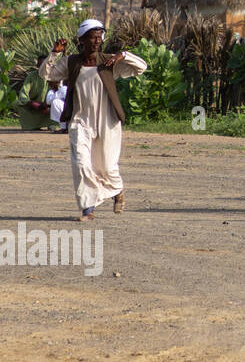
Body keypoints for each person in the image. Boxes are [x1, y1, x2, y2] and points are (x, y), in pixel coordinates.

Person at [39, 19, 148, 220]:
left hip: (108, 120)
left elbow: (141, 67)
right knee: (81, 162)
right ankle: (88, 209)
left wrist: (122, 55)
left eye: (99, 37)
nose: (96, 41)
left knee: (106, 167)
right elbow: (46, 74)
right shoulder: (71, 62)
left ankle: (117, 190)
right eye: (92, 37)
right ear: (81, 40)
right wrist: (54, 53)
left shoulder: (109, 62)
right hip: (81, 120)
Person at [15, 55, 61, 131]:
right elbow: (23, 94)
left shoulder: (54, 76)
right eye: (41, 65)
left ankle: (51, 124)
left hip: (48, 107)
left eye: (45, 65)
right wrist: (32, 103)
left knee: (56, 103)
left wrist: (47, 104)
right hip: (34, 106)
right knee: (19, 105)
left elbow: (60, 93)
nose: (43, 67)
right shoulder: (31, 76)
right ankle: (32, 125)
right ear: (37, 65)